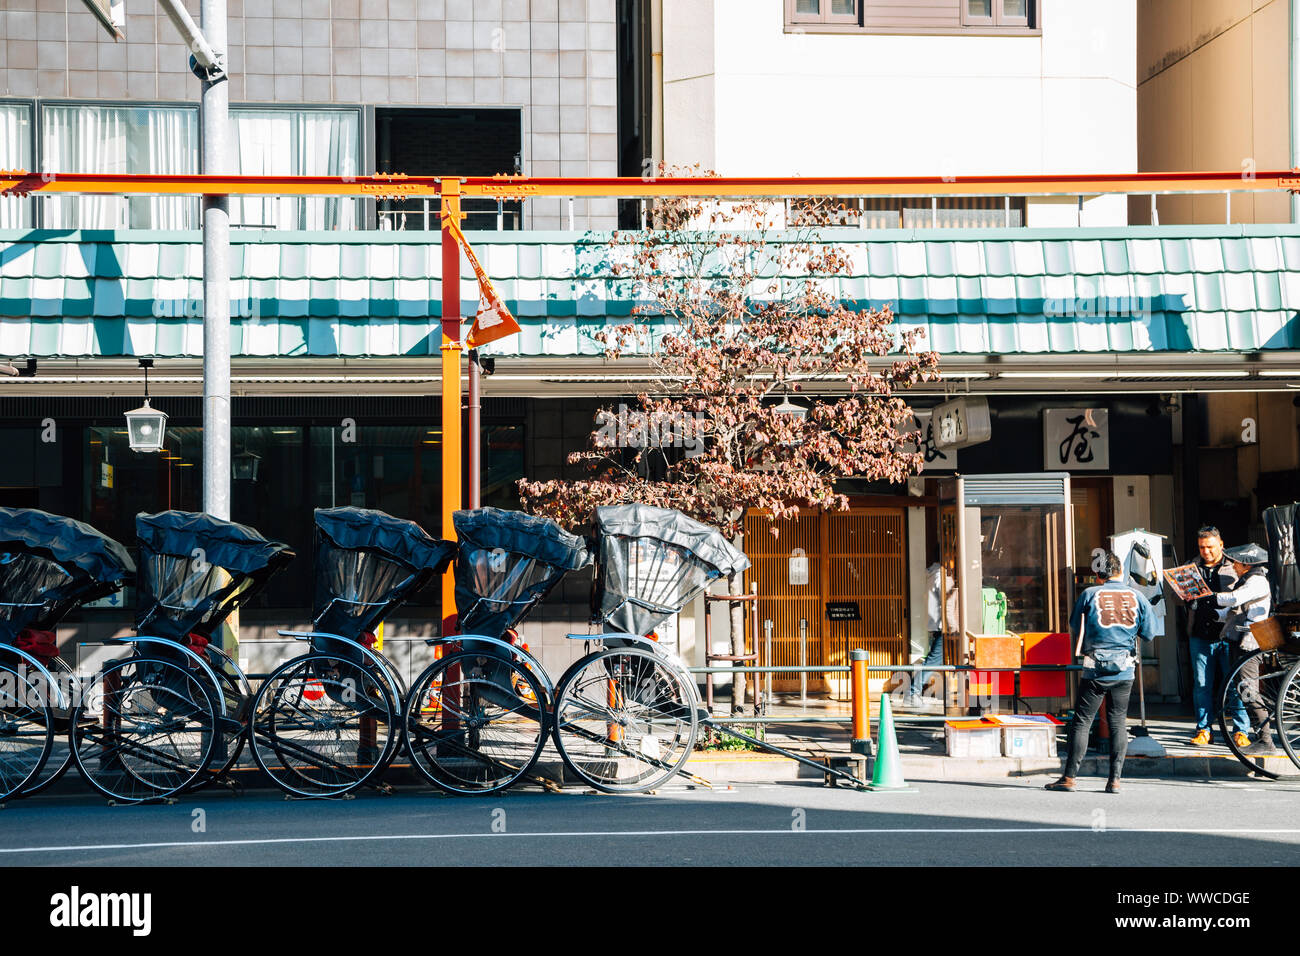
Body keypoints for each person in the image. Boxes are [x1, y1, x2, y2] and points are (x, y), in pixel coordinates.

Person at [1046, 550, 1156, 794]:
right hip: (1124, 669)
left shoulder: (1089, 594)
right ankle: (1115, 780)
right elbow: (1148, 633)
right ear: (1121, 572)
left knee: (1082, 721)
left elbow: (1075, 625)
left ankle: (1070, 777)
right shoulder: (1137, 596)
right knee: (1118, 722)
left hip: (1095, 668)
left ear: (1098, 575)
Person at [1181, 526, 1246, 747]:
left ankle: (1241, 730)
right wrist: (1183, 595)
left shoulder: (1234, 566)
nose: (1206, 551)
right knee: (1201, 684)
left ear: (1221, 544)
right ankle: (1203, 730)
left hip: (1229, 634)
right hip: (1200, 633)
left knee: (1235, 683)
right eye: (1201, 547)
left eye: (1210, 546)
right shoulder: (1192, 567)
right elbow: (1175, 598)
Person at [1216, 543, 1274, 754]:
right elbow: (1230, 610)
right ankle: (1262, 738)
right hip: (1241, 638)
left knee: (1248, 689)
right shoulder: (1248, 580)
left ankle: (1266, 740)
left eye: (1235, 563)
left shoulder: (1257, 581)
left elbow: (1235, 599)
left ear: (1246, 564)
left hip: (1252, 640)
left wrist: (1209, 596)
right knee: (1243, 689)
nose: (1233, 567)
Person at [906, 557, 958, 707]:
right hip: (943, 626)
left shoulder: (932, 574)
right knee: (933, 660)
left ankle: (915, 692)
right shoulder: (944, 578)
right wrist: (953, 627)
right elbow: (947, 605)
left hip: (934, 624)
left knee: (934, 660)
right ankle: (912, 692)